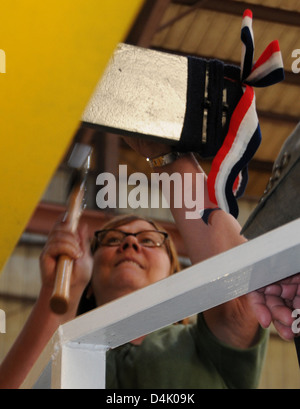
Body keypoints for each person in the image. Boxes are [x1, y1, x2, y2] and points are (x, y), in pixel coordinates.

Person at [0, 138, 298, 389]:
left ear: (172, 272)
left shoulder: (201, 347)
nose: (130, 243)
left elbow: (240, 295)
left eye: (149, 240)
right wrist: (57, 291)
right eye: (113, 239)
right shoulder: (64, 351)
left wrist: (163, 153)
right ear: (88, 285)